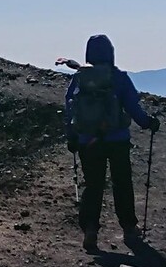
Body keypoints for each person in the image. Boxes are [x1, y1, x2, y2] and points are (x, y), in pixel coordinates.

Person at [57, 35, 159, 253]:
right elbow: (133, 107)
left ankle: (90, 231)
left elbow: (70, 108)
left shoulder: (79, 78)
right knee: (122, 183)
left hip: (88, 141)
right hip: (117, 140)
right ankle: (129, 229)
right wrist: (148, 123)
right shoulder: (119, 77)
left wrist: (72, 136)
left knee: (93, 185)